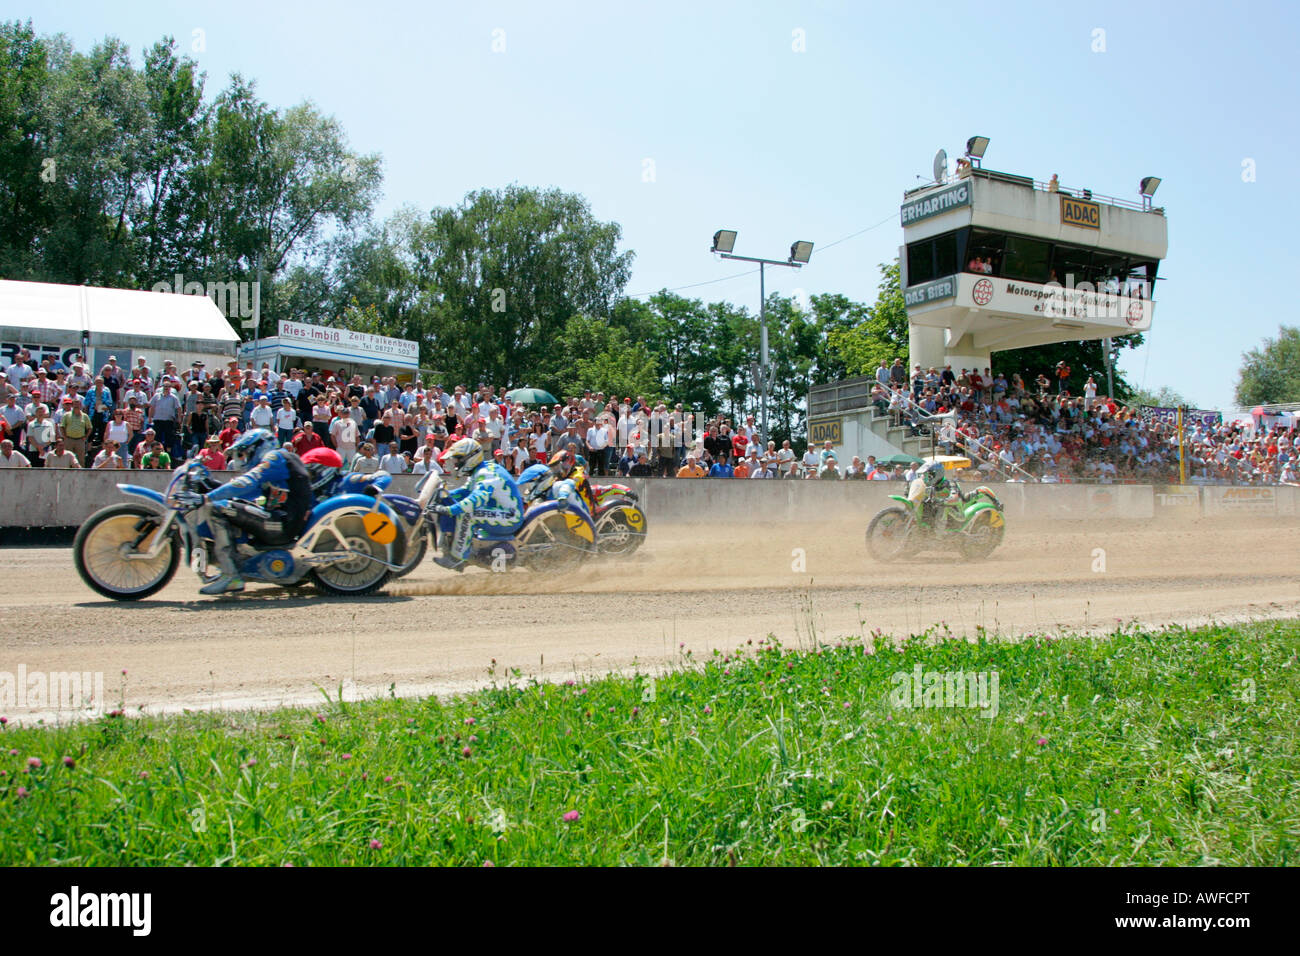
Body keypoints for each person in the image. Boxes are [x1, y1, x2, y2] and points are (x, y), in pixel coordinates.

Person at [193, 429, 314, 595]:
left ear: (258, 447)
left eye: (246, 453)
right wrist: (207, 484)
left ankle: (231, 576)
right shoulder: (280, 461)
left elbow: (246, 483)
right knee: (228, 505)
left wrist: (207, 498)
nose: (244, 458)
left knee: (216, 508)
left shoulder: (275, 457)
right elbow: (244, 492)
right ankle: (232, 566)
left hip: (283, 523)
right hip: (284, 521)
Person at [430, 437, 525, 572]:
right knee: (466, 510)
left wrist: (450, 510)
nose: (456, 463)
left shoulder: (485, 474)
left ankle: (457, 558)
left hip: (511, 517)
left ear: (469, 458)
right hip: (503, 512)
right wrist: (446, 494)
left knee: (468, 514)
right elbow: (465, 491)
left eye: (458, 459)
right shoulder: (479, 471)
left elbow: (476, 500)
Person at [907, 461, 960, 531]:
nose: (927, 477)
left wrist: (945, 500)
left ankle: (939, 535)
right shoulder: (930, 485)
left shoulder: (949, 483)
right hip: (935, 508)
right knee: (925, 504)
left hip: (954, 512)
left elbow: (955, 497)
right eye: (926, 475)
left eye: (929, 475)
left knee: (943, 508)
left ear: (938, 473)